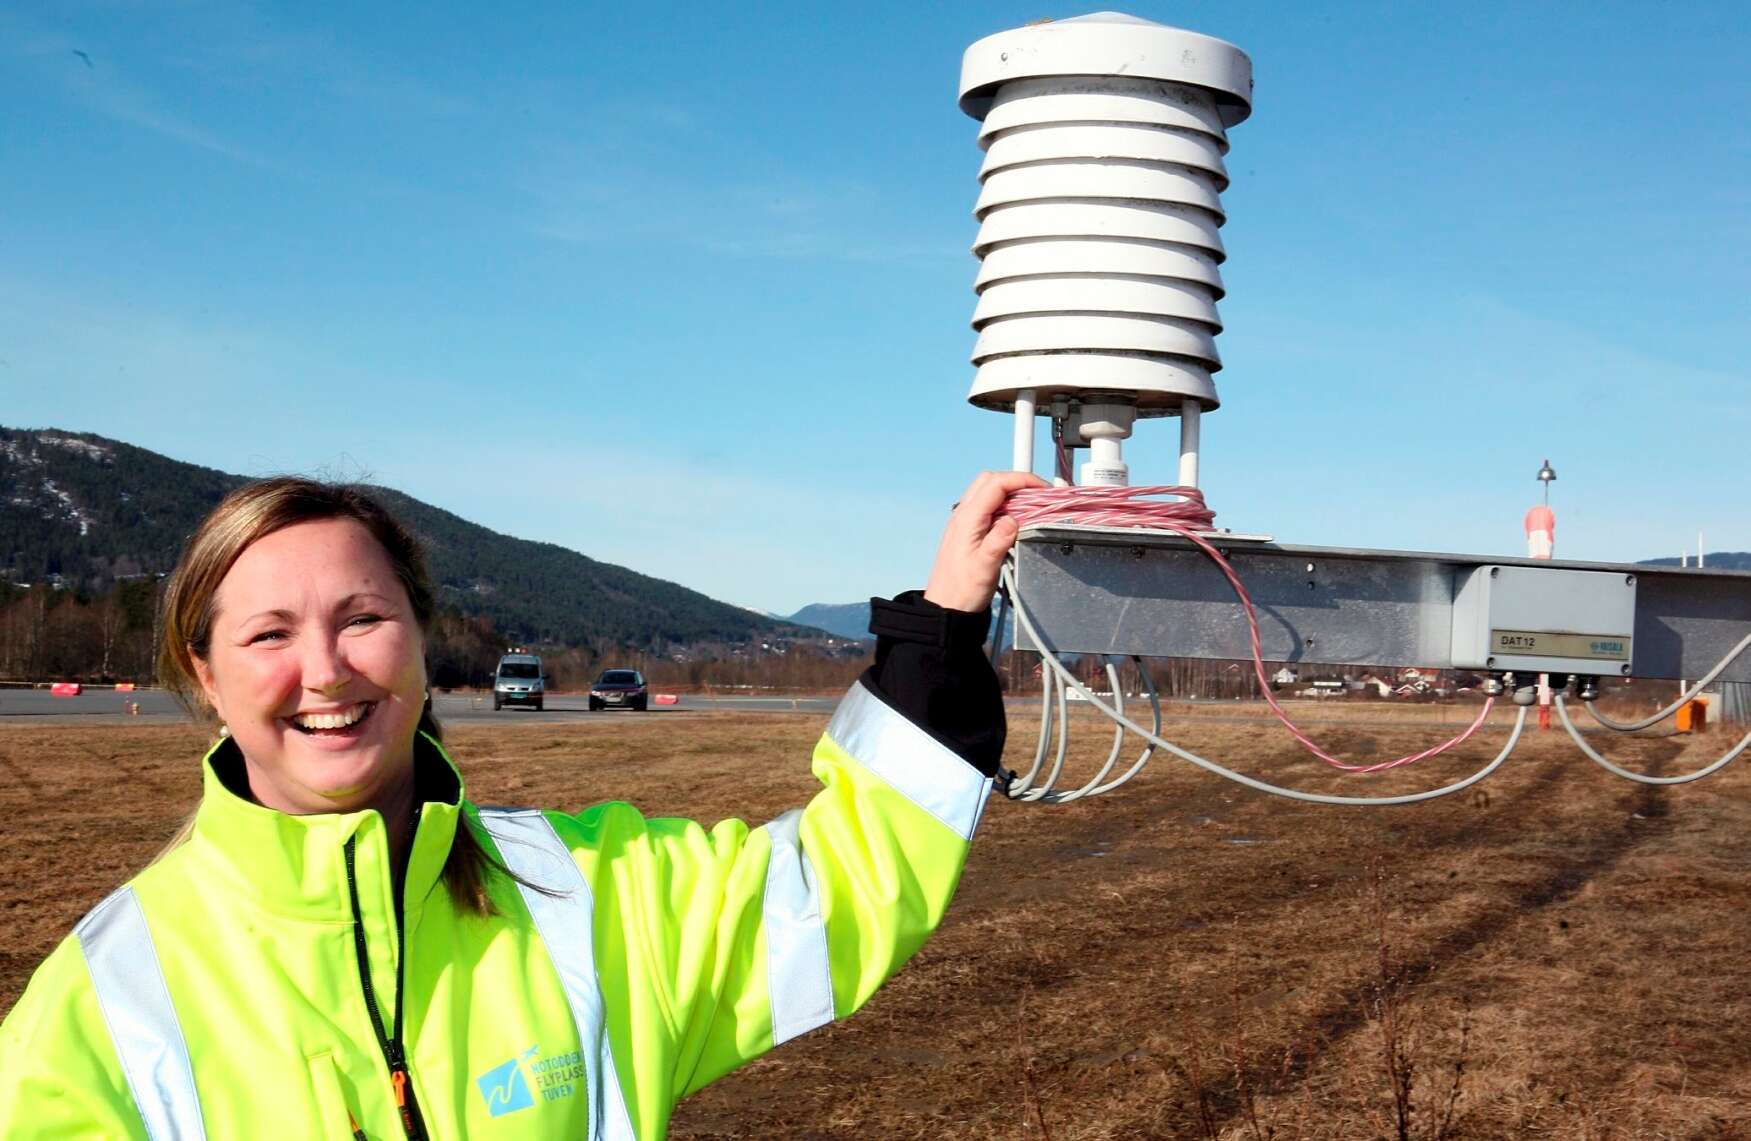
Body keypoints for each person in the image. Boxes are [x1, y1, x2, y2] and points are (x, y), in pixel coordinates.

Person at [0, 469, 1043, 1139]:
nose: (324, 671)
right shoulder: (107, 1003)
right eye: (269, 635)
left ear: (418, 638)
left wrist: (941, 626)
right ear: (204, 672)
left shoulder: (586, 891)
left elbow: (836, 889)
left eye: (362, 618)